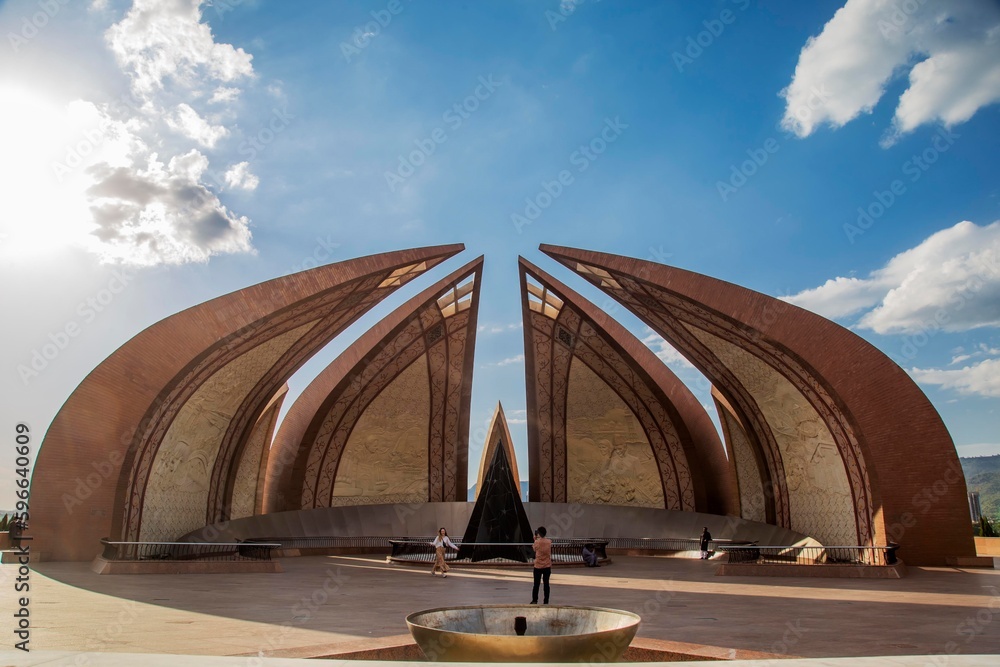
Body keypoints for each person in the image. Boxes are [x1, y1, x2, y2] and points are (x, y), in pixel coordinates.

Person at [531, 526, 552, 604]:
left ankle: (534, 600)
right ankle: (546, 600)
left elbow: (534, 549)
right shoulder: (549, 541)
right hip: (547, 565)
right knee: (546, 584)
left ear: (539, 533)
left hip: (538, 566)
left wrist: (535, 539)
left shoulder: (537, 542)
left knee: (536, 584)